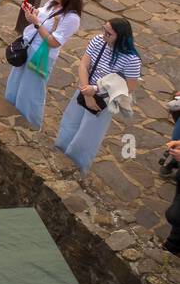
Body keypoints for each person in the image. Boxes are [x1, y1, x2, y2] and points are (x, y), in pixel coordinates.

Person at [53, 19, 142, 174]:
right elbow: (83, 65)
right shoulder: (97, 41)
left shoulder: (132, 60)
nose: (104, 34)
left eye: (109, 33)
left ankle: (76, 167)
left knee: (88, 135)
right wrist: (86, 92)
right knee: (69, 123)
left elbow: (129, 87)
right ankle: (59, 153)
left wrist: (94, 90)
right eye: (104, 29)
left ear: (120, 37)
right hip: (84, 90)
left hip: (104, 101)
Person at [4, 0, 84, 130]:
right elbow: (40, 14)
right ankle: (10, 112)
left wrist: (36, 22)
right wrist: (32, 11)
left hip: (41, 54)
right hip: (28, 47)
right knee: (16, 80)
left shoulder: (72, 18)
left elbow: (54, 42)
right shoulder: (53, 3)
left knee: (31, 90)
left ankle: (30, 125)